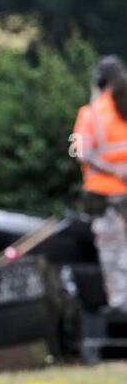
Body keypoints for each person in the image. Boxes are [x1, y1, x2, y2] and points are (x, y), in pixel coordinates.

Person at [72, 55, 127, 311]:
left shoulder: (90, 113)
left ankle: (119, 304)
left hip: (104, 196)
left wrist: (115, 171)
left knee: (112, 252)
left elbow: (81, 152)